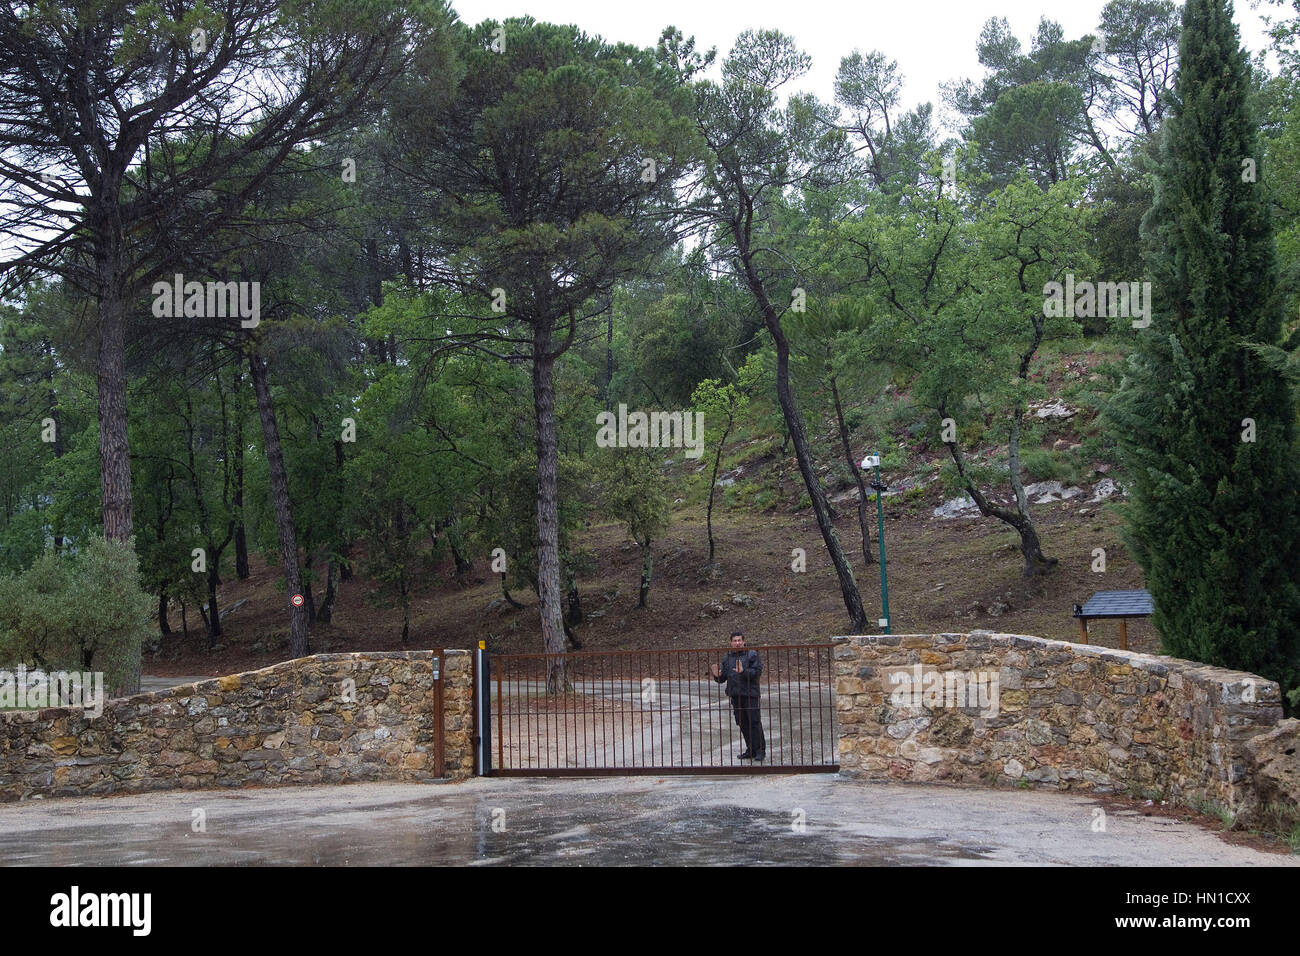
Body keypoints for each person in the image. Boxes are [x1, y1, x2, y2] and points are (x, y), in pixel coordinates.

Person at [709, 631, 765, 761]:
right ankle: (750, 749)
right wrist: (716, 675)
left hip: (750, 695)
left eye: (740, 640)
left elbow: (757, 672)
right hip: (735, 696)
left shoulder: (752, 654)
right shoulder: (727, 657)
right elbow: (723, 678)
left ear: (744, 642)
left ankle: (760, 750)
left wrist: (743, 671)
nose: (737, 643)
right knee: (742, 723)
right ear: (731, 643)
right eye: (735, 641)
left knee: (754, 722)